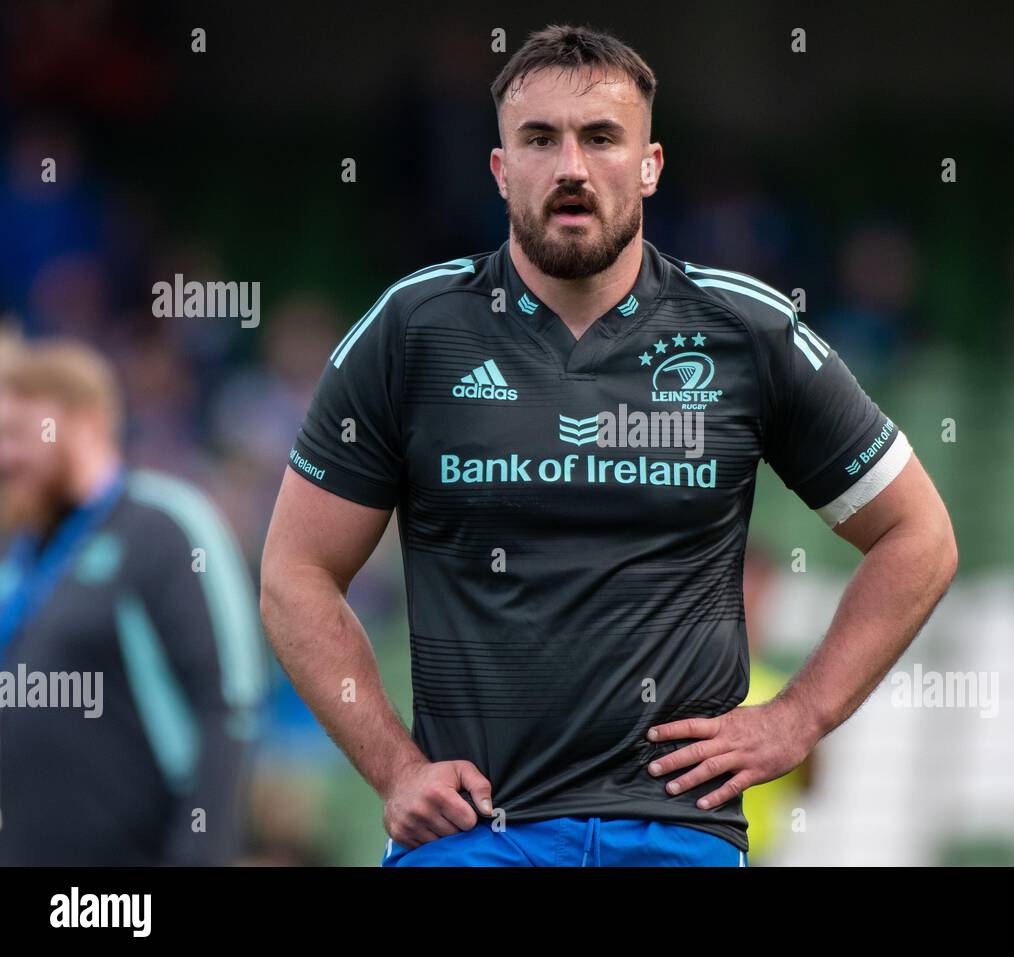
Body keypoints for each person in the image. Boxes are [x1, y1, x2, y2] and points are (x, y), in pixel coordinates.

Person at [260, 23, 957, 867]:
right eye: (539, 139)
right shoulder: (413, 331)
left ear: (651, 164)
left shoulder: (745, 329)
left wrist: (798, 716)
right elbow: (295, 572)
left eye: (600, 138)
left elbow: (919, 536)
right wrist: (394, 768)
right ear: (500, 167)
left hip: (675, 838)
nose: (571, 168)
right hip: (472, 836)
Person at [0, 339, 266, 865]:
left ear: (86, 422)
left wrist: (200, 854)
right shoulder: (19, 559)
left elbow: (227, 703)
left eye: (19, 433)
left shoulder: (165, 524)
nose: (5, 456)